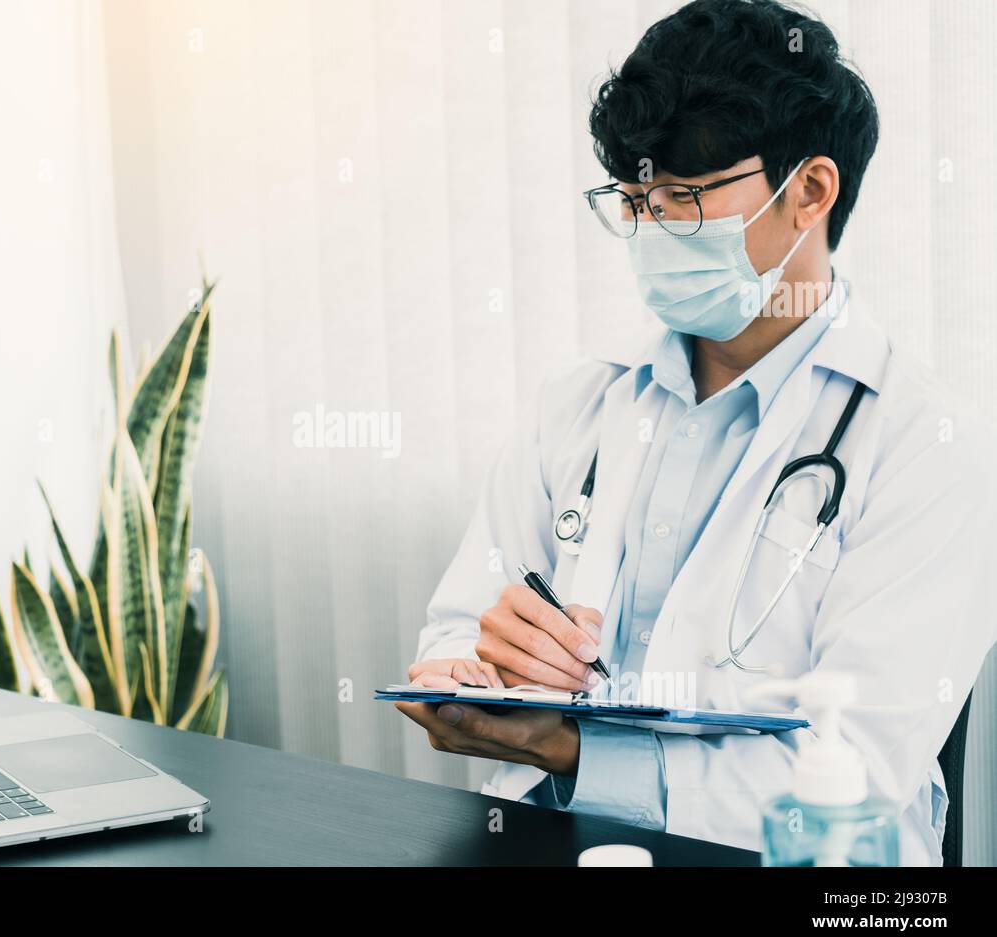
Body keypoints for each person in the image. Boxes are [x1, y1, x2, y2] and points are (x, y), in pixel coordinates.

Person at [395, 0, 997, 865]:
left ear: (810, 191)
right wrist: (475, 673)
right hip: (552, 845)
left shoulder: (928, 447)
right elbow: (452, 635)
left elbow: (854, 773)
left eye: (684, 197)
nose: (649, 231)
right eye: (634, 199)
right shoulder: (578, 403)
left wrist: (567, 750)